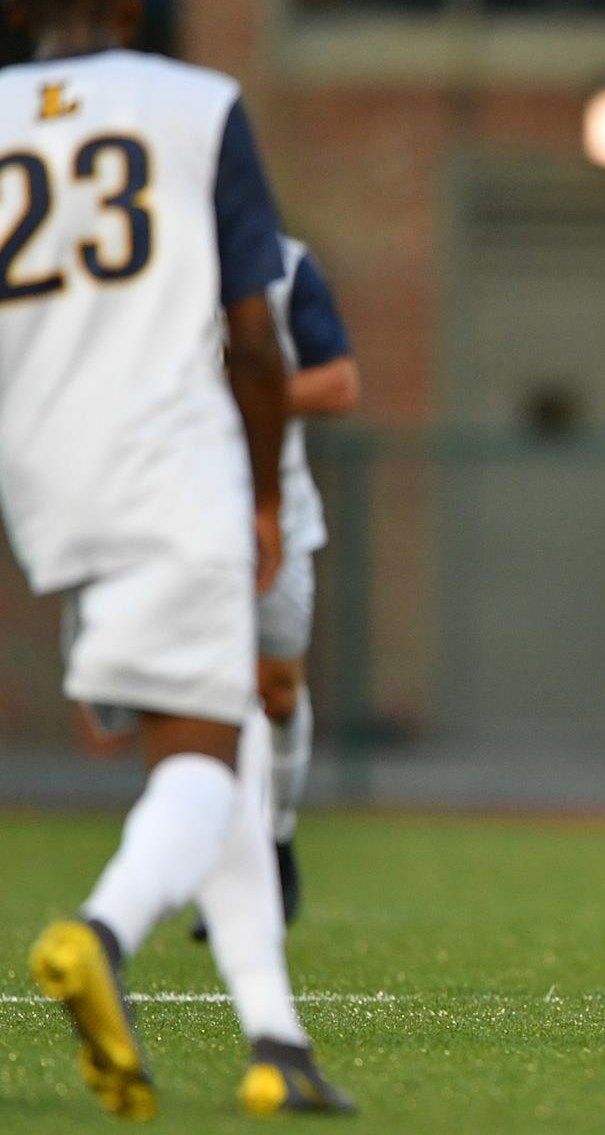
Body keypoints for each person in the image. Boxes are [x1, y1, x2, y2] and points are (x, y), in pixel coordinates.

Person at [0, 0, 354, 1116]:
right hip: (172, 463)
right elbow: (254, 337)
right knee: (201, 757)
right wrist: (256, 491)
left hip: (49, 477)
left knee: (230, 730)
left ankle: (275, 1038)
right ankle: (100, 932)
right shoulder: (193, 105)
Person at [188, 235, 360, 941]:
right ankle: (218, 862)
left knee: (276, 687)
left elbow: (340, 383)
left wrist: (250, 391)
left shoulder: (284, 267)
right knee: (196, 693)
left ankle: (278, 834)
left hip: (272, 508)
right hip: (173, 507)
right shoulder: (147, 259)